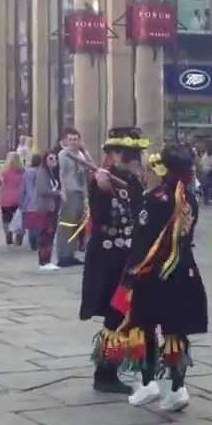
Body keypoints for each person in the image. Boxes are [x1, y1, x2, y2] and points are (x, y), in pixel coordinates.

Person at [109, 144, 208, 412]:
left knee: (144, 326)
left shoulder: (156, 198)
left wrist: (131, 271)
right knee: (176, 331)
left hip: (153, 272)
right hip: (184, 270)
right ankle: (178, 387)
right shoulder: (189, 197)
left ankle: (148, 382)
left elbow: (143, 239)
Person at [82, 129, 148, 396]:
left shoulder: (133, 179)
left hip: (129, 255)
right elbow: (101, 218)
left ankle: (114, 369)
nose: (135, 159)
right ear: (115, 154)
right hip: (111, 257)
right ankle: (105, 372)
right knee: (115, 313)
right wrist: (104, 190)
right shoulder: (103, 180)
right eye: (128, 154)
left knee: (124, 314)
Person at [55, 128, 89, 268]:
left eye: (76, 139)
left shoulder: (80, 154)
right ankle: (63, 255)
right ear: (66, 141)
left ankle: (71, 253)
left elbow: (86, 172)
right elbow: (61, 174)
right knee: (66, 224)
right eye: (71, 139)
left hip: (80, 191)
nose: (73, 142)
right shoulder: (63, 154)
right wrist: (63, 190)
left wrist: (85, 151)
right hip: (69, 190)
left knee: (75, 224)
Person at [32, 152, 62, 270]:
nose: (53, 160)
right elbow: (42, 190)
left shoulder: (50, 173)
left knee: (50, 233)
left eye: (55, 158)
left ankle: (47, 260)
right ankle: (43, 262)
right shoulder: (42, 172)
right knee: (45, 233)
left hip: (52, 207)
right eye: (50, 158)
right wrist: (58, 192)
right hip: (44, 208)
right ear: (45, 160)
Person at [0, 152, 26, 247]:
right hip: (19, 199)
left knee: (6, 219)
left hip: (6, 199)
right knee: (20, 219)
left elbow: (1, 185)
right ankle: (19, 237)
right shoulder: (22, 172)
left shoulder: (5, 172)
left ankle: (8, 235)